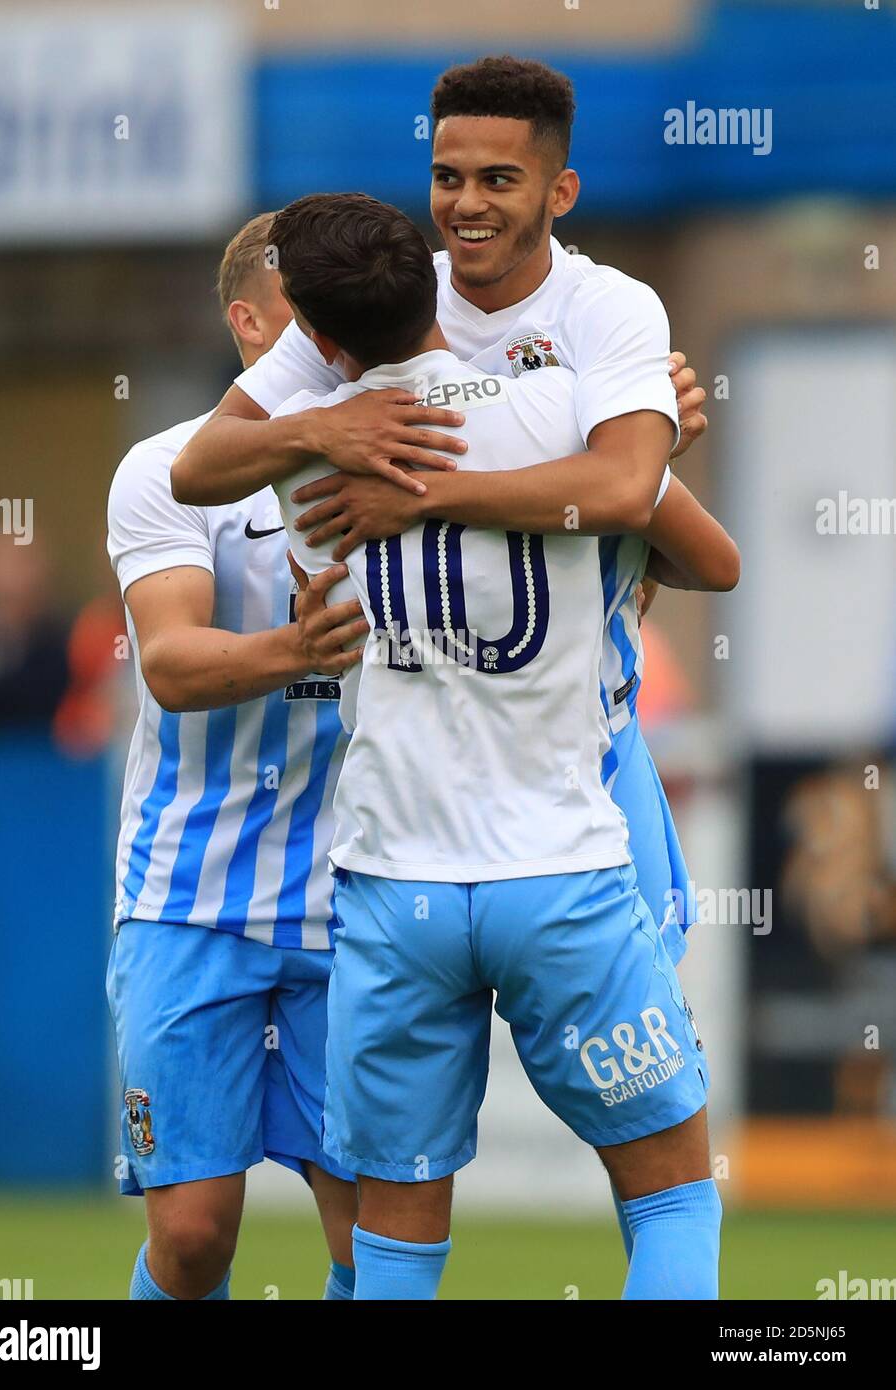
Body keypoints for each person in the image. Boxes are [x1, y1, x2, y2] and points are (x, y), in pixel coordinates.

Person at [268, 191, 738, 1300]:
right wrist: (648, 427)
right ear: (432, 283)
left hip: (394, 886)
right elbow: (704, 556)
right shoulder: (565, 416)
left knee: (393, 1231)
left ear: (318, 338)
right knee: (671, 1190)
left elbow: (303, 605)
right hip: (557, 868)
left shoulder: (297, 476)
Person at [105, 212, 368, 1302]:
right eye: (307, 321)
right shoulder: (165, 469)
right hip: (186, 896)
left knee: (371, 1227)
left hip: (350, 900)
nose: (331, 351)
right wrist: (297, 649)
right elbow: (168, 661)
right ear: (246, 324)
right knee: (197, 1238)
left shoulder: (394, 465)